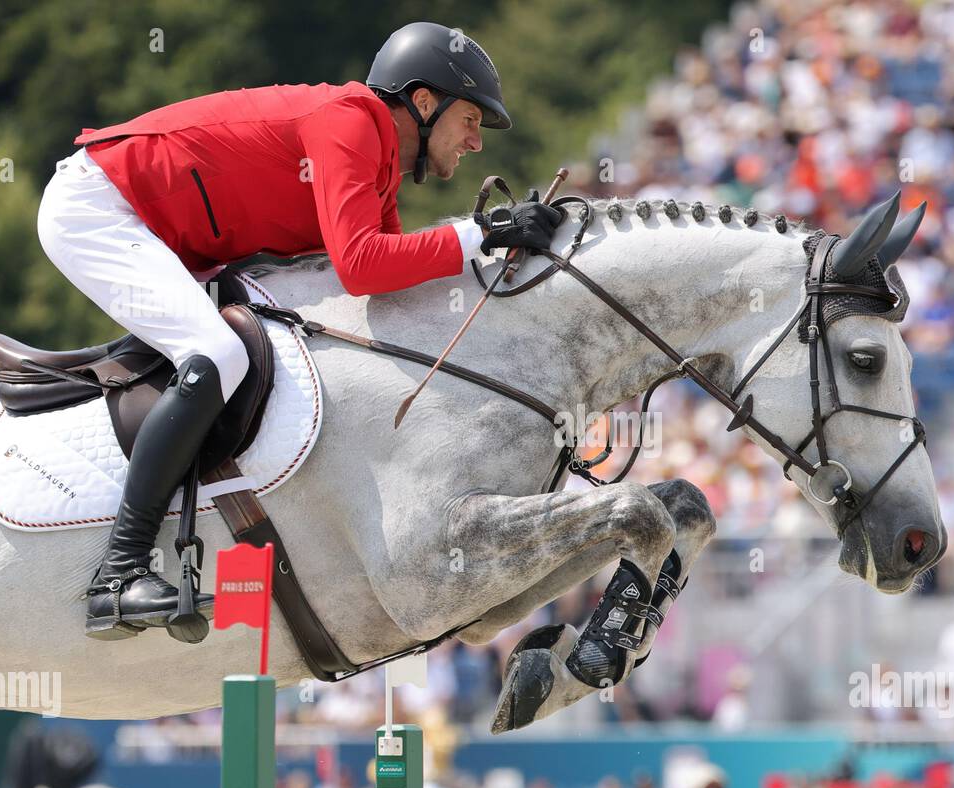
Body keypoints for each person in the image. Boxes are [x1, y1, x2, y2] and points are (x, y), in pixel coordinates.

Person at [36, 22, 561, 639]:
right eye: (471, 120)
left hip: (154, 230)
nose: (476, 142)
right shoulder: (352, 121)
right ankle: (118, 574)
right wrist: (484, 233)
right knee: (217, 353)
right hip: (101, 208)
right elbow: (362, 264)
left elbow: (388, 274)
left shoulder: (378, 163)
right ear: (424, 103)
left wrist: (492, 252)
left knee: (231, 350)